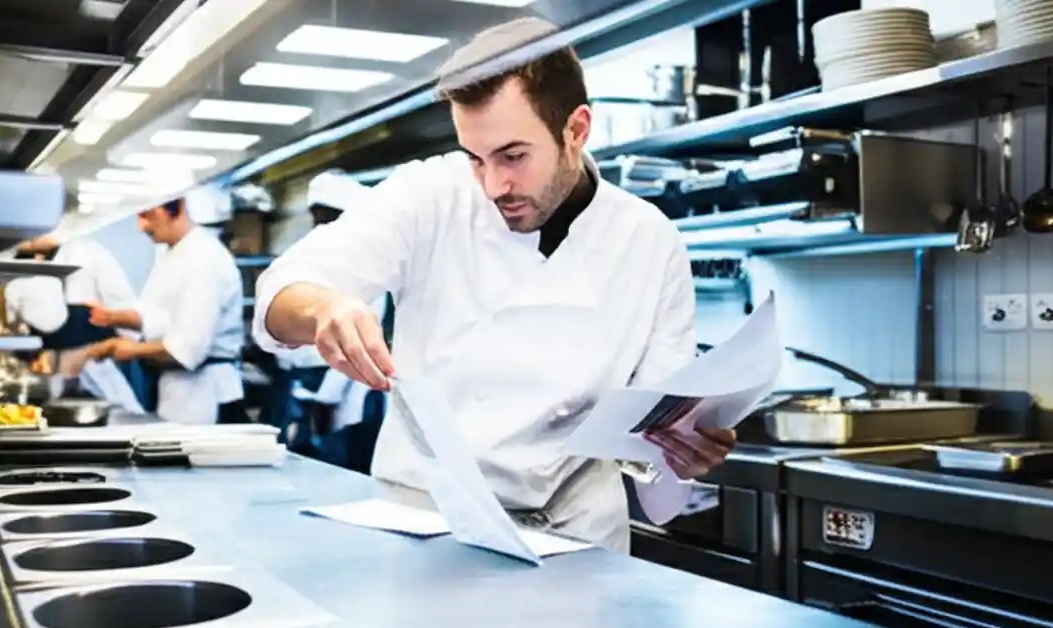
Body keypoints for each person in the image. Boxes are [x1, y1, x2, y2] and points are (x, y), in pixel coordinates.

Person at [252, 17, 735, 552]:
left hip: (578, 538)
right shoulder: (430, 194)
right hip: (424, 528)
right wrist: (325, 309)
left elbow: (657, 433)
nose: (492, 184)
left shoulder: (649, 240)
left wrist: (684, 446)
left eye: (512, 156)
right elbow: (281, 294)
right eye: (474, 158)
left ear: (576, 130)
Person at [86, 198, 246, 425]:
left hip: (206, 398)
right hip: (178, 393)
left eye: (147, 214)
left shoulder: (204, 258)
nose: (141, 227)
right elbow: (160, 317)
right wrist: (112, 317)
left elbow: (188, 349)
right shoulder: (175, 252)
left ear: (178, 207)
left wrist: (132, 350)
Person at [277, 171, 389, 472]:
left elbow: (360, 341)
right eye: (315, 217)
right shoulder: (313, 259)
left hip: (347, 390)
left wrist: (325, 400)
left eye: (327, 217)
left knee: (343, 468)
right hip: (308, 387)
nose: (320, 226)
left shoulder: (368, 265)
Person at [3, 234, 144, 413]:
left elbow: (132, 325)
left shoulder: (87, 253)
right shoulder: (2, 258)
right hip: (32, 386)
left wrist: (89, 352)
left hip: (95, 387)